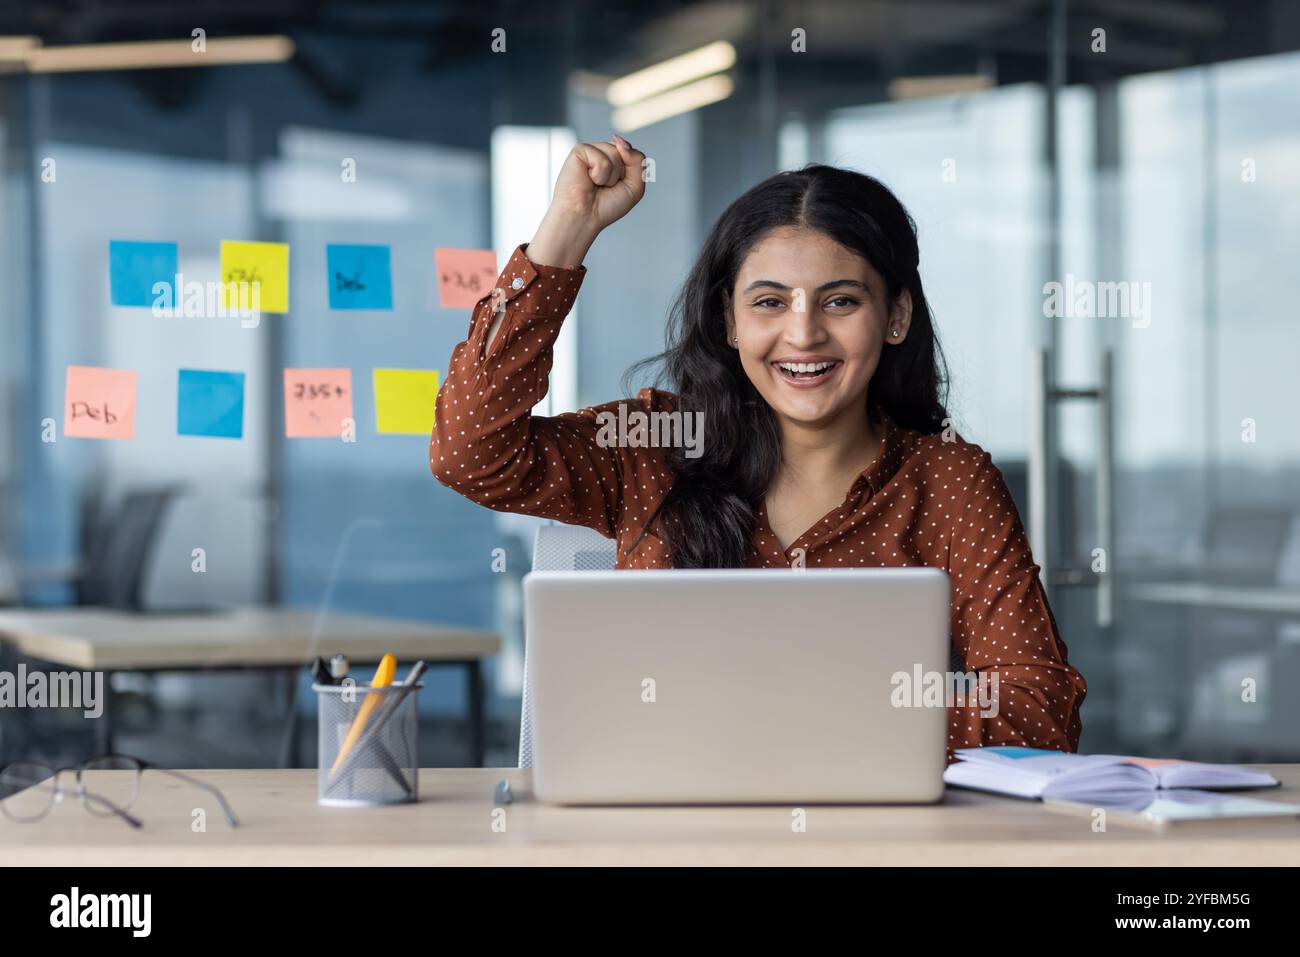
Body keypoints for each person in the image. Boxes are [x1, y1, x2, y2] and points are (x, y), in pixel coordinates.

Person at [430, 134, 1086, 760]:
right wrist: (567, 228)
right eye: (769, 301)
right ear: (728, 318)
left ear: (896, 317)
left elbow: (1039, 709)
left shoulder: (950, 482)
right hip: (662, 828)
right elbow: (470, 451)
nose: (803, 334)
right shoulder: (653, 446)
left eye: (841, 301)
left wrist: (818, 707)